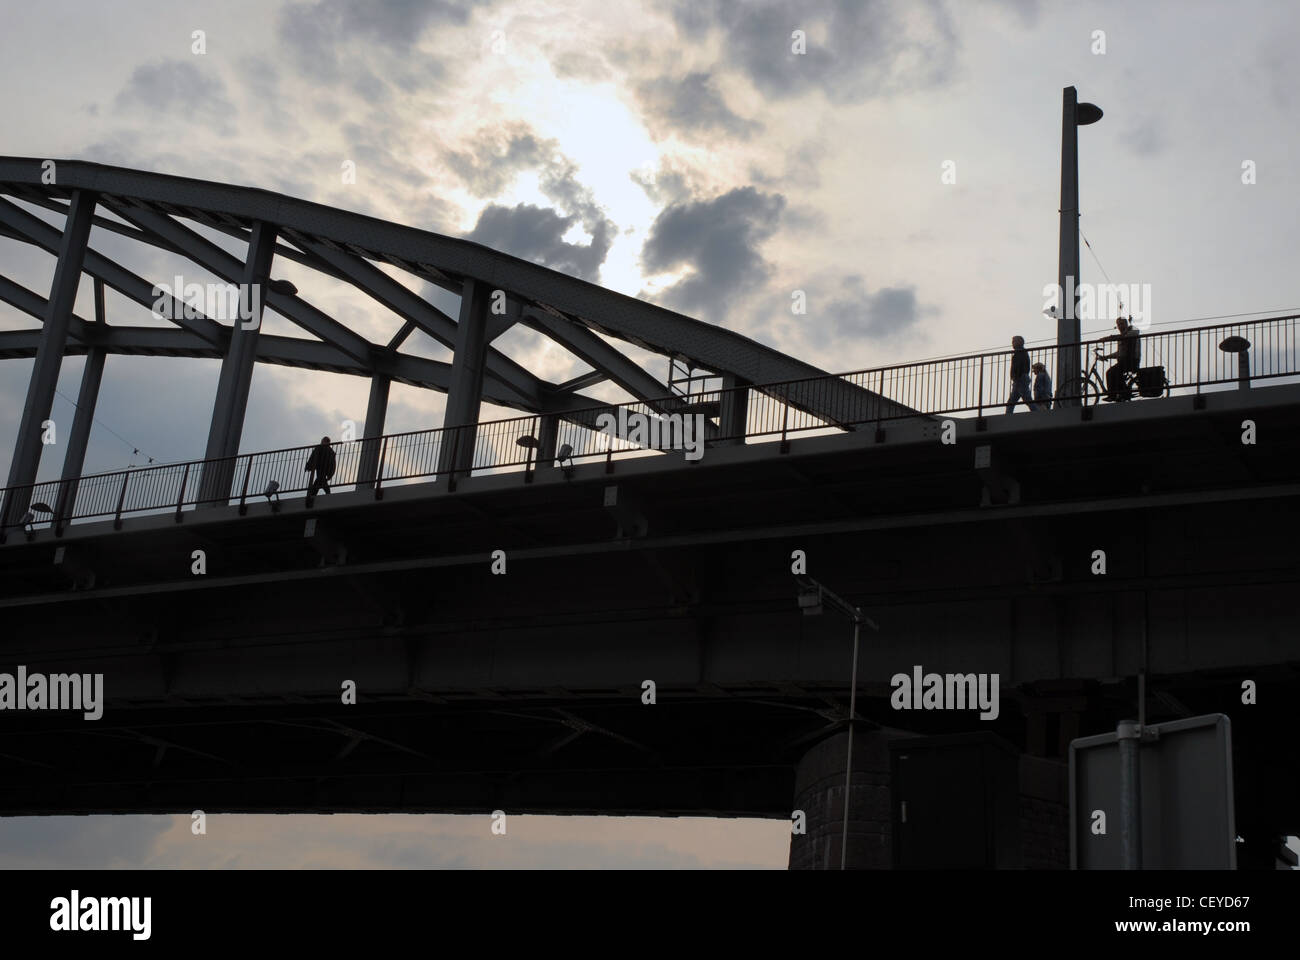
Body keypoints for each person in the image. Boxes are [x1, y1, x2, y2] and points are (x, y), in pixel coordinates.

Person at [1103, 315, 1141, 401]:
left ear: (1126, 324)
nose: (1120, 326)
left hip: (1131, 361)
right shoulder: (1122, 337)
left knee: (1110, 372)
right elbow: (1119, 353)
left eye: (1122, 324)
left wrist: (1109, 338)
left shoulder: (1132, 331)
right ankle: (1121, 393)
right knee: (1114, 372)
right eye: (1119, 324)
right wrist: (1106, 356)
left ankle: (1113, 395)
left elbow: (1127, 336)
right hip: (1124, 361)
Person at [304, 436, 336, 505]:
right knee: (320, 481)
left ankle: (314, 495)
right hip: (323, 469)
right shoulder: (330, 451)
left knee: (320, 481)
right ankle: (325, 494)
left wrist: (309, 465)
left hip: (321, 468)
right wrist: (331, 473)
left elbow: (313, 457)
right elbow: (333, 464)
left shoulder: (320, 448)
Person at [1005, 335, 1032, 414]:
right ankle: (1007, 416)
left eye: (1014, 341)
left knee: (1026, 399)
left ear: (1020, 342)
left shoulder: (1021, 352)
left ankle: (1037, 412)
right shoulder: (1019, 352)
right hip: (1019, 379)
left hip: (1020, 379)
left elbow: (1020, 366)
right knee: (1012, 401)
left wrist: (1016, 376)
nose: (1012, 343)